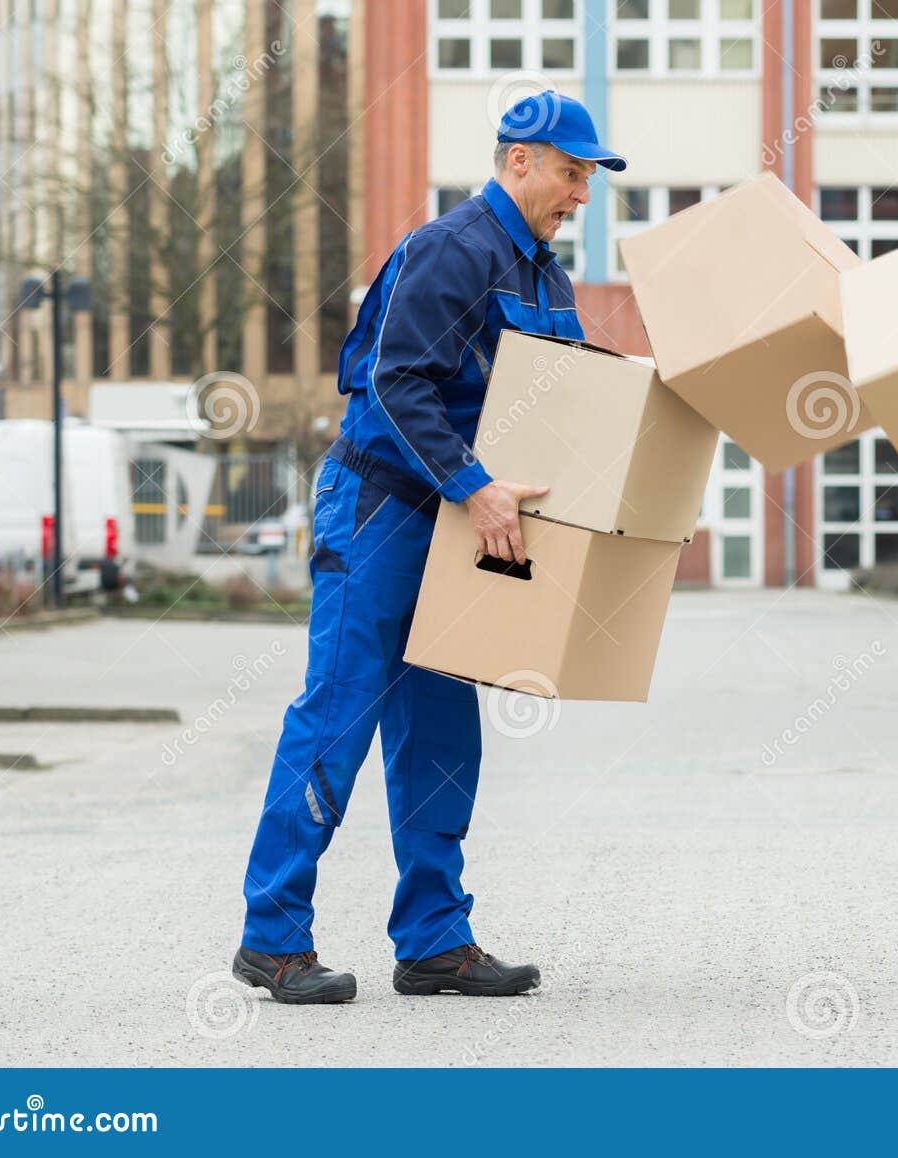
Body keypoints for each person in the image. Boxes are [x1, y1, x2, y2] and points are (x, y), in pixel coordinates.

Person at [232, 91, 627, 1003]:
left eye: (589, 180)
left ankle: (433, 940)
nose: (581, 195)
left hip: (462, 520)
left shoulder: (547, 279)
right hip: (384, 508)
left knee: (443, 730)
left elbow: (555, 407)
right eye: (572, 173)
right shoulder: (452, 249)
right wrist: (473, 485)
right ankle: (273, 936)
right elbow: (393, 383)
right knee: (338, 717)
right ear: (518, 160)